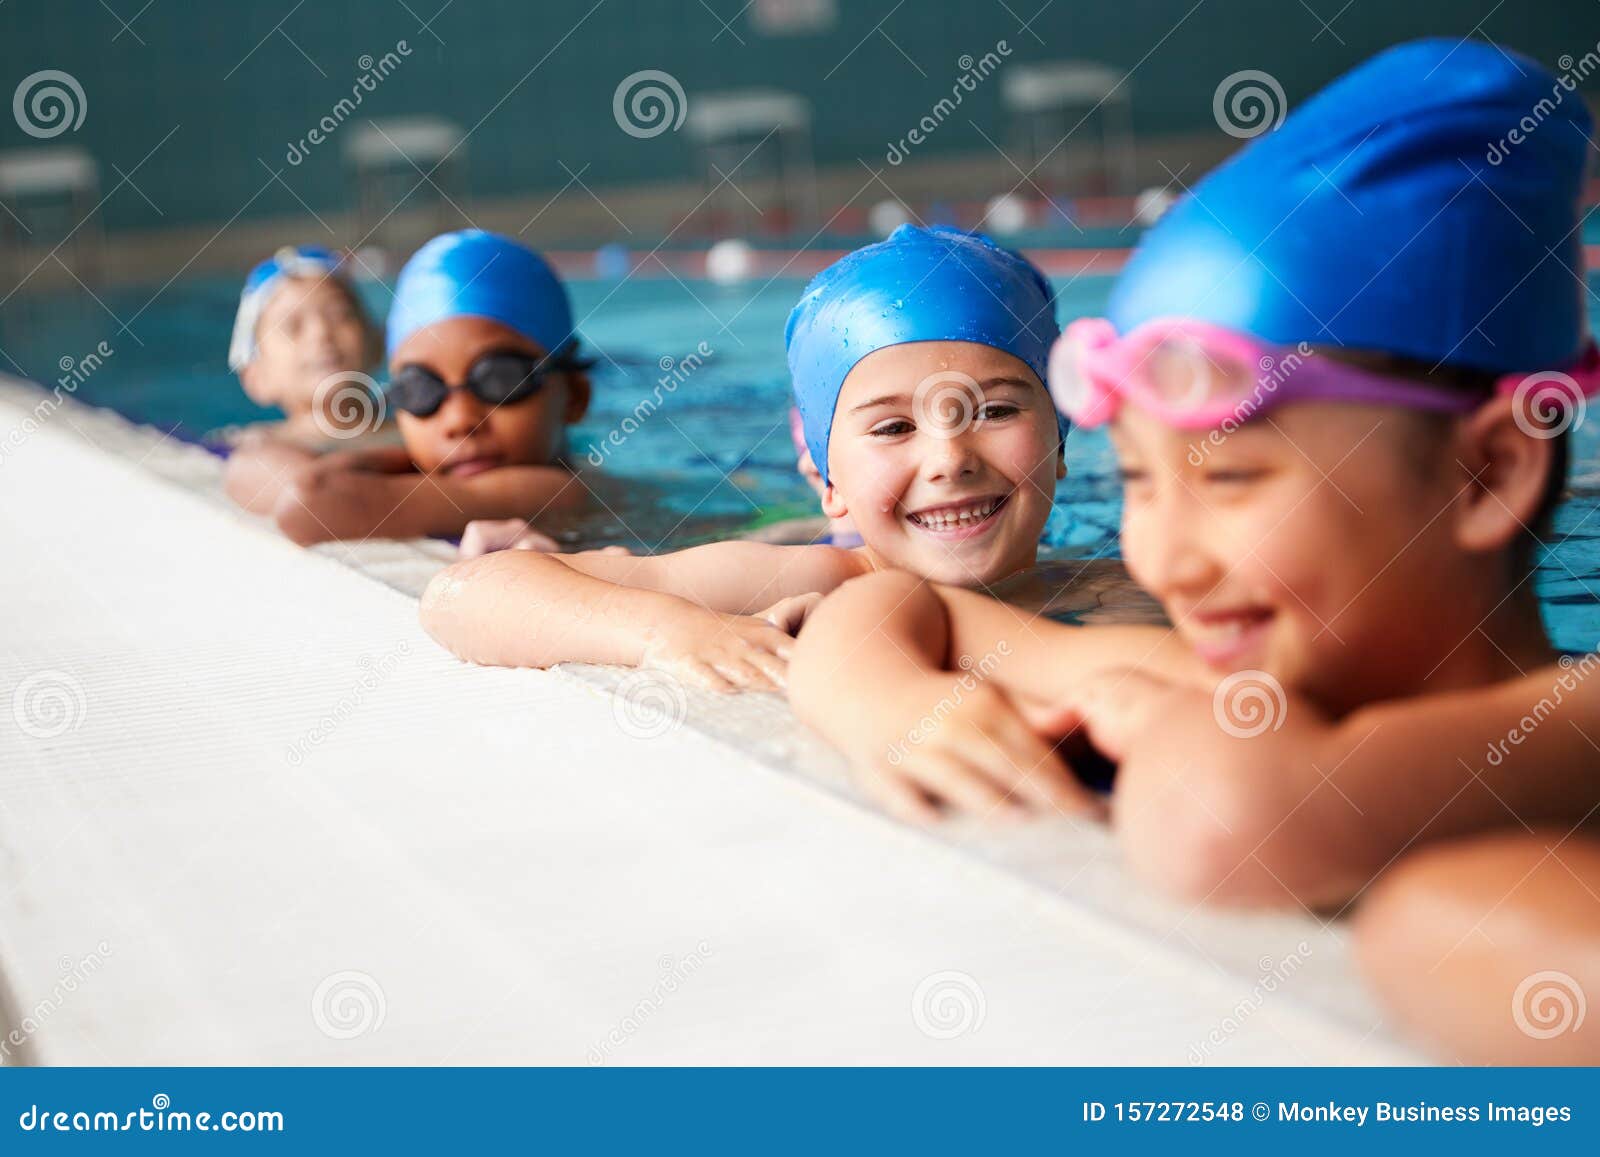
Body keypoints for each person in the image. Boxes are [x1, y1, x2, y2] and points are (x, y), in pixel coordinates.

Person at [786, 41, 1600, 916]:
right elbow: (894, 605)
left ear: (1484, 476)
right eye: (1139, 479)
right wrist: (889, 703)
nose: (1164, 560)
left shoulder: (1572, 725)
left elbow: (1228, 823)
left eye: (1232, 478)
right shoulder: (1221, 669)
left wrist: (1167, 724)